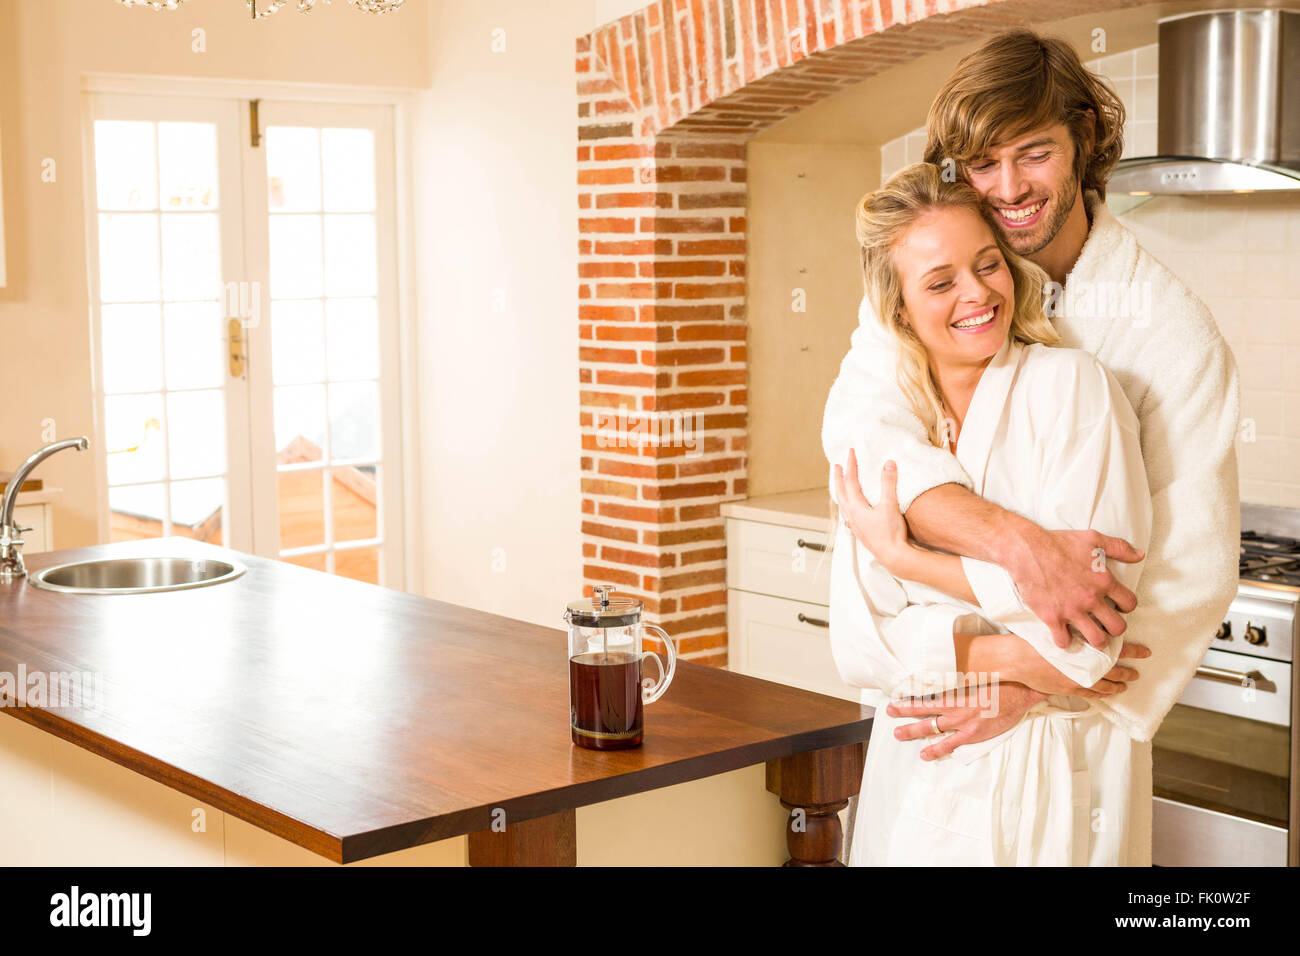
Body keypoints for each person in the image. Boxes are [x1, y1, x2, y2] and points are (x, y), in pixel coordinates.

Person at [822, 30, 1240, 852]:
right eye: (982, 163)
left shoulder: (1171, 334)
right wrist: (1020, 547)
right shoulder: (922, 287)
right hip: (926, 735)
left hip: (1066, 743)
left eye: (1034, 152)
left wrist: (1036, 680)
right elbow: (866, 446)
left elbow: (1191, 570)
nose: (1008, 188)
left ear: (1084, 136)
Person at [829, 161, 1159, 865]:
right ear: (898, 312)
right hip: (918, 767)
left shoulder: (1075, 392)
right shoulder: (892, 433)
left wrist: (908, 562)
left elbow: (1089, 635)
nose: (977, 294)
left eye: (988, 265)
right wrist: (1025, 662)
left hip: (1049, 770)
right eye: (941, 282)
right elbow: (859, 646)